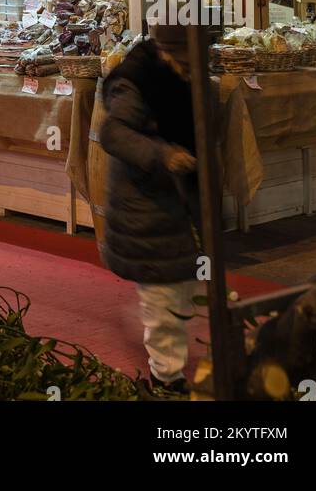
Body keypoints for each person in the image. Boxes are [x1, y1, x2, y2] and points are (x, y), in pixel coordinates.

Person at [99, 23, 202, 394]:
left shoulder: (189, 74)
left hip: (180, 206)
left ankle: (157, 341)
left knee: (181, 289)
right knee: (163, 294)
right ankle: (165, 377)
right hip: (147, 206)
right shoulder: (135, 82)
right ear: (168, 51)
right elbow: (112, 133)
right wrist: (162, 154)